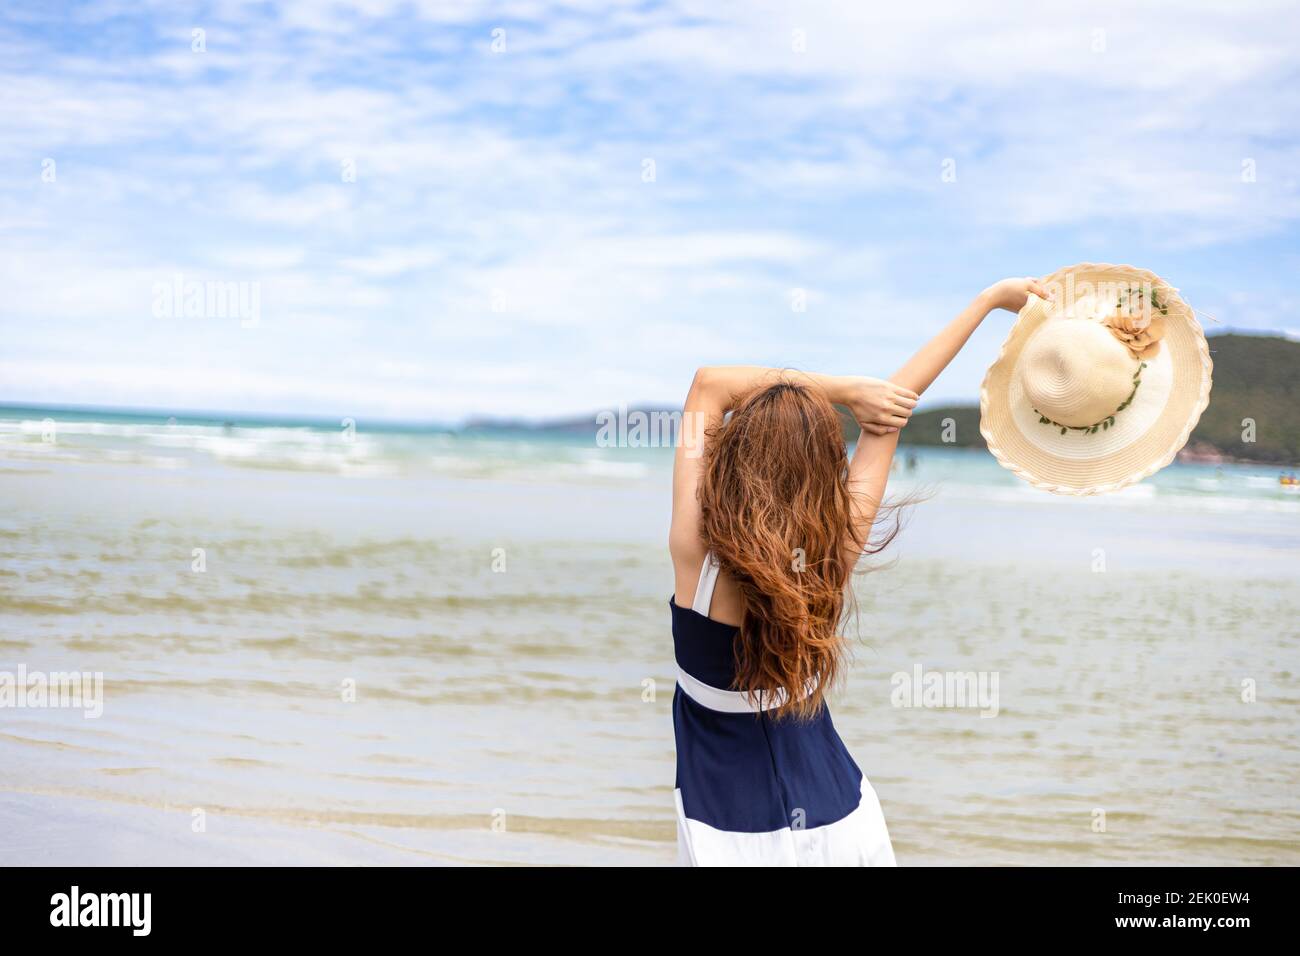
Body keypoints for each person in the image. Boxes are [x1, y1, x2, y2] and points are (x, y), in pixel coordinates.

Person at [668, 276, 1052, 866]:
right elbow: (888, 416)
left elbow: (708, 384)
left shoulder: (695, 554)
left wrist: (843, 389)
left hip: (730, 831)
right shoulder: (830, 556)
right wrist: (986, 302)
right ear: (824, 467)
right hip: (842, 816)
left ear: (734, 459)